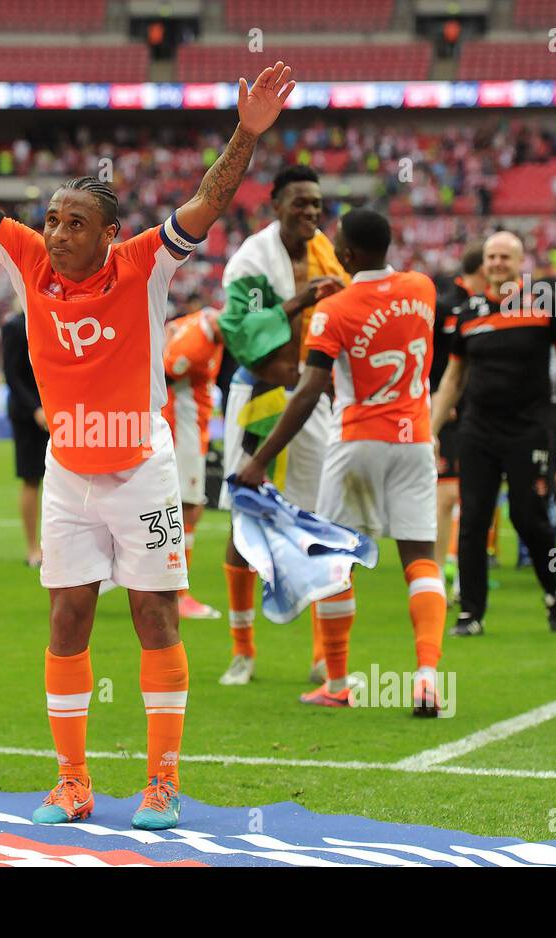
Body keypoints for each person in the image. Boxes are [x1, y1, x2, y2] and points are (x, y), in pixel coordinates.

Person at [0, 38, 295, 829]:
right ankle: (72, 781)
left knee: (153, 615)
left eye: (74, 222)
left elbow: (208, 198)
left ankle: (161, 782)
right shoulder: (26, 262)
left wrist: (247, 134)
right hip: (69, 470)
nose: (57, 231)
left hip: (141, 467)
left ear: (108, 233)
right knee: (67, 613)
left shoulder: (145, 264)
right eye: (52, 219)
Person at [235, 209, 447, 715]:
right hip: (416, 440)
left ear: (347, 255)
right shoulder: (423, 288)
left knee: (334, 563)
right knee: (421, 560)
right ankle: (427, 677)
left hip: (356, 442)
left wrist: (259, 460)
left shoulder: (335, 309)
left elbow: (309, 391)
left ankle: (337, 681)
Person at [215, 164, 348, 686]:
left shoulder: (328, 255)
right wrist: (300, 300)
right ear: (276, 206)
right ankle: (242, 651)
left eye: (317, 204)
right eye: (301, 203)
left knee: (319, 520)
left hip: (313, 396)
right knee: (246, 519)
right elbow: (245, 338)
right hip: (263, 396)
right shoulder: (251, 258)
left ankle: (322, 655)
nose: (311, 213)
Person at [431, 231, 556, 635]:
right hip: (477, 431)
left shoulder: (543, 305)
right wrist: (429, 428)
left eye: (505, 257)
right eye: (492, 257)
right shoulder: (468, 313)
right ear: (484, 263)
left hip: (530, 430)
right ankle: (471, 612)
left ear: (520, 262)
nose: (497, 264)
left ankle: (553, 591)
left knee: (529, 518)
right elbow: (452, 378)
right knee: (474, 518)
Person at [160, 305, 224, 620]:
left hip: (188, 426)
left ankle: (164, 585)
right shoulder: (197, 345)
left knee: (181, 506)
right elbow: (164, 370)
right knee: (189, 507)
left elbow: (169, 328)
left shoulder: (201, 319)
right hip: (182, 429)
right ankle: (178, 595)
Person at [432, 244, 485, 593]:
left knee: (475, 493)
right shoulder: (444, 305)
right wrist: (436, 397)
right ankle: (436, 573)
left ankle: (462, 566)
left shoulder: (487, 308)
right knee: (447, 494)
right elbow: (427, 355)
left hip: (479, 411)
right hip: (448, 409)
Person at [0, 311, 47, 568]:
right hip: (28, 415)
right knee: (31, 477)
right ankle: (33, 548)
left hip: (60, 410)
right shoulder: (15, 326)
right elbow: (12, 375)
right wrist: (35, 409)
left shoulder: (52, 318)